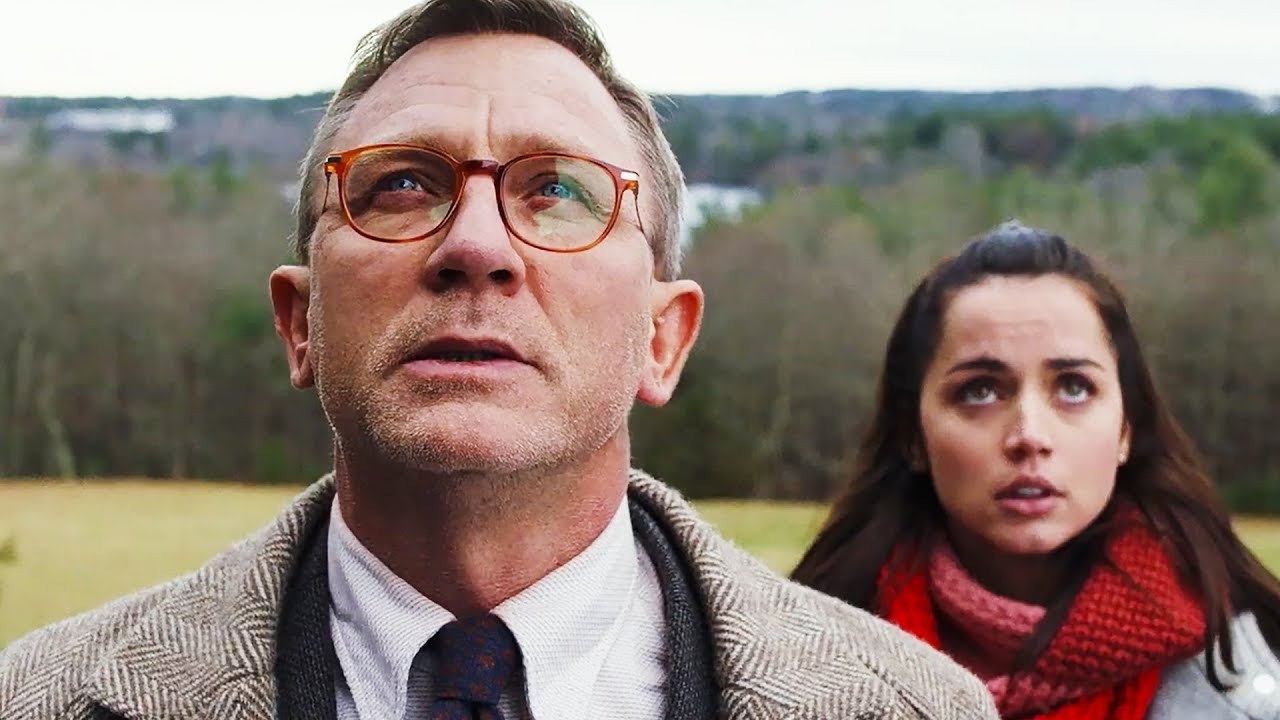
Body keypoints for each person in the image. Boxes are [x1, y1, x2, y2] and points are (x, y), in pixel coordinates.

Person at [0, 2, 999, 718]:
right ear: (299, 323)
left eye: (557, 190)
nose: (475, 245)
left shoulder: (918, 707)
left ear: (663, 339)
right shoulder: (36, 699)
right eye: (401, 184)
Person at [790, 219, 1280, 719]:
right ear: (913, 435)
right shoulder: (799, 668)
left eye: (1073, 388)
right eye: (980, 391)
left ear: (1126, 429)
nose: (1030, 435)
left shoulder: (1247, 691)